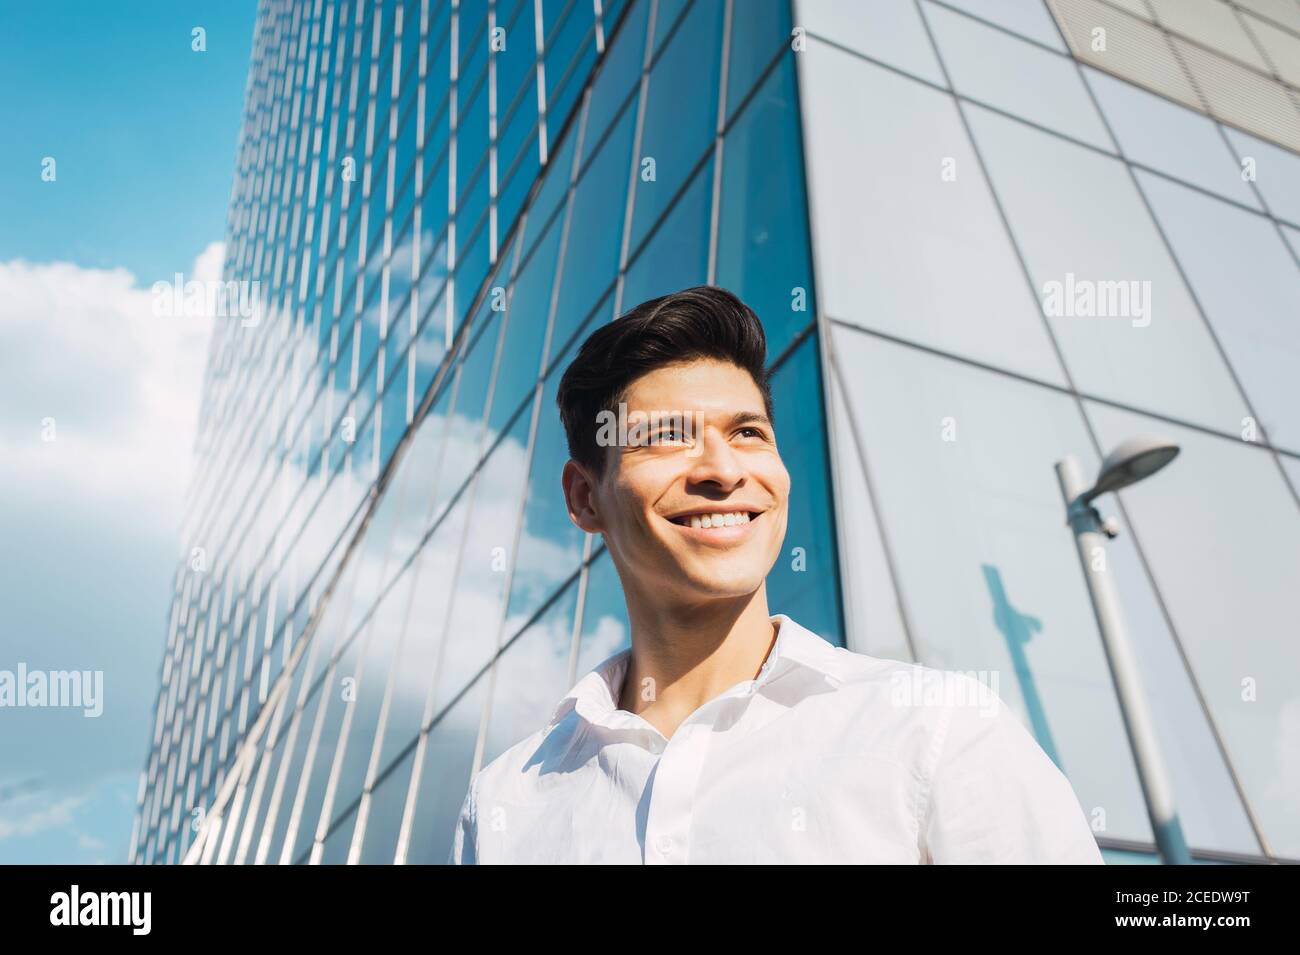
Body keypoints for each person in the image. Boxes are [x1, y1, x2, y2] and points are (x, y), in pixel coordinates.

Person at [449, 286, 1103, 864]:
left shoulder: (934, 733)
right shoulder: (507, 804)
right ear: (585, 497)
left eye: (748, 433)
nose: (722, 469)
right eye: (667, 437)